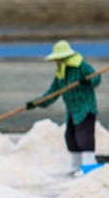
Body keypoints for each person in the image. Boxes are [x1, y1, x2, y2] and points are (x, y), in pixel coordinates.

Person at [27, 40, 102, 175]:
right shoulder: (60, 74)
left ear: (65, 57)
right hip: (72, 111)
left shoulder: (81, 66)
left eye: (59, 59)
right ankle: (75, 166)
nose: (57, 62)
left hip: (86, 108)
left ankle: (89, 167)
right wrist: (36, 103)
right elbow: (52, 93)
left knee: (84, 137)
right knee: (70, 137)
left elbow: (96, 78)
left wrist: (87, 80)